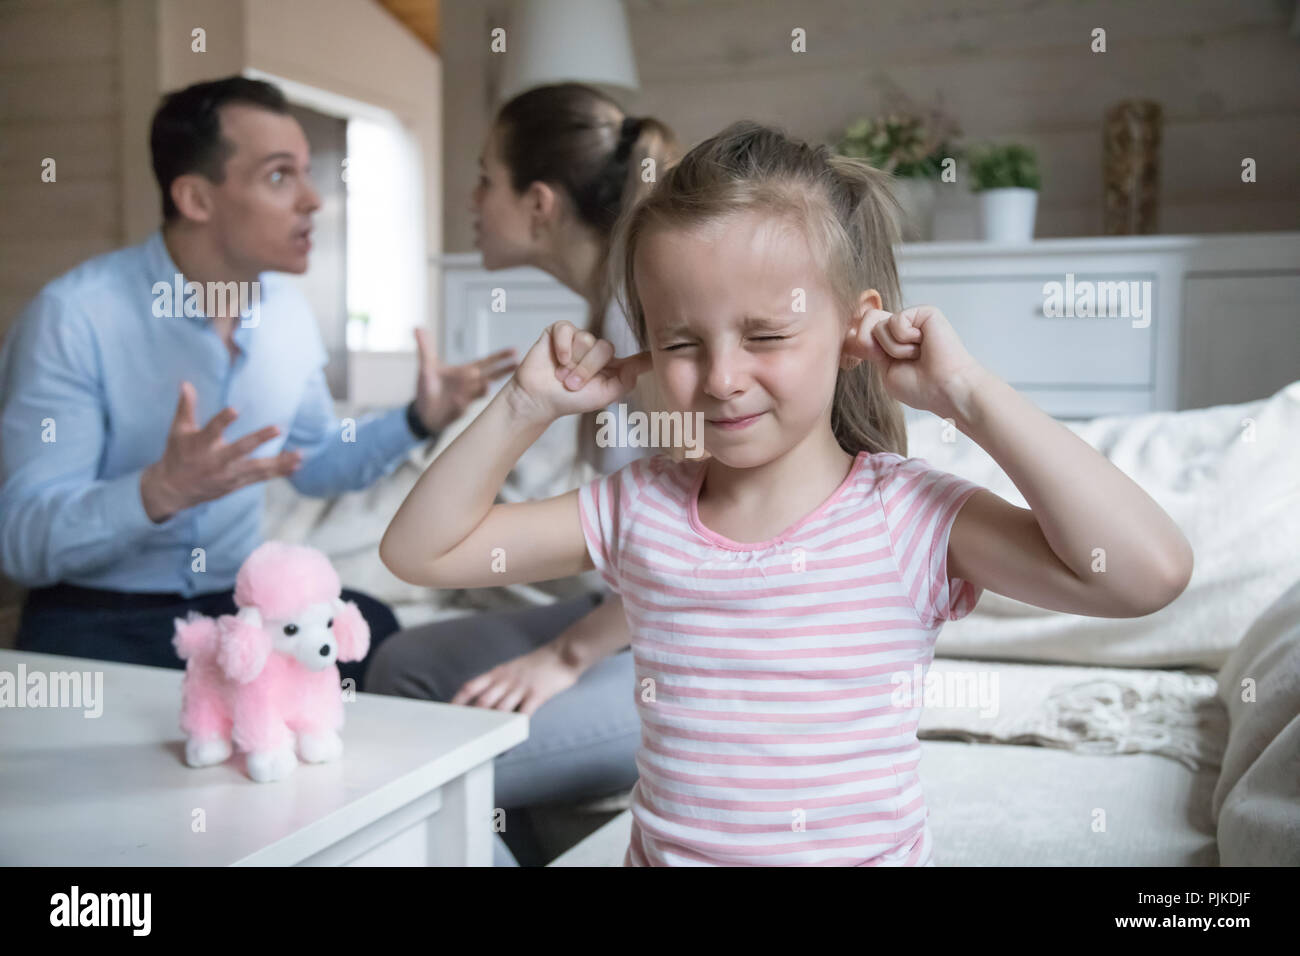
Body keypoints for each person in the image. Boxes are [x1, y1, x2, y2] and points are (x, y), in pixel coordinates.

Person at [378, 120, 1195, 866]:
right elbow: (421, 551)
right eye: (683, 342)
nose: (724, 378)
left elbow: (1145, 573)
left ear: (853, 329)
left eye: (766, 335)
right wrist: (525, 407)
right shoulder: (640, 508)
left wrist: (969, 394)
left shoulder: (909, 518)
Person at [0, 76, 516, 689]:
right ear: (195, 198)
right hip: (98, 616)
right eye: (279, 176)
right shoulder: (74, 318)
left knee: (374, 631)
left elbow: (313, 461)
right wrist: (156, 493)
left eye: (306, 171)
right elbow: (23, 543)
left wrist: (417, 419)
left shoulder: (287, 314)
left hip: (238, 608)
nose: (314, 200)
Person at [362, 83, 680, 866]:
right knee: (401, 662)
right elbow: (422, 546)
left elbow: (702, 539)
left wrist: (564, 657)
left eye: (483, 177)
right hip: (626, 614)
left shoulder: (642, 317)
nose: (470, 199)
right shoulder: (604, 311)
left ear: (539, 203)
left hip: (685, 640)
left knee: (414, 775)